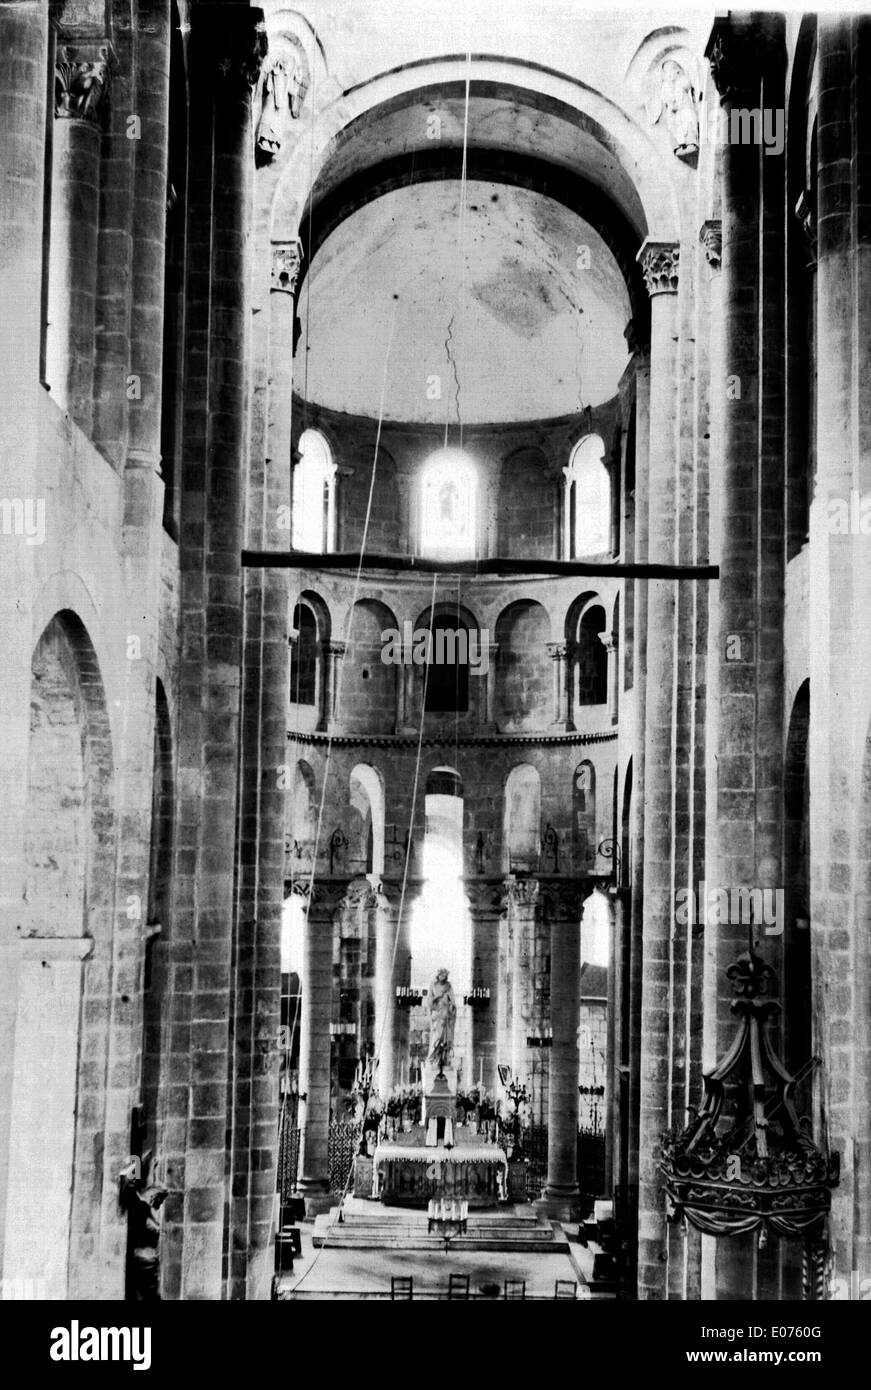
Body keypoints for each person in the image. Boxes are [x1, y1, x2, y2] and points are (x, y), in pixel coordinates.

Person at [427, 967, 457, 1073]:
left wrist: (451, 1006)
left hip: (446, 1016)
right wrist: (437, 997)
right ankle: (435, 1060)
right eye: (441, 975)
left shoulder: (449, 986)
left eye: (445, 975)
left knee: (445, 1039)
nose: (443, 977)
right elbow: (429, 1001)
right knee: (436, 1037)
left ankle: (445, 1060)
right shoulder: (433, 985)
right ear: (438, 976)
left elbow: (453, 1001)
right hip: (437, 1016)